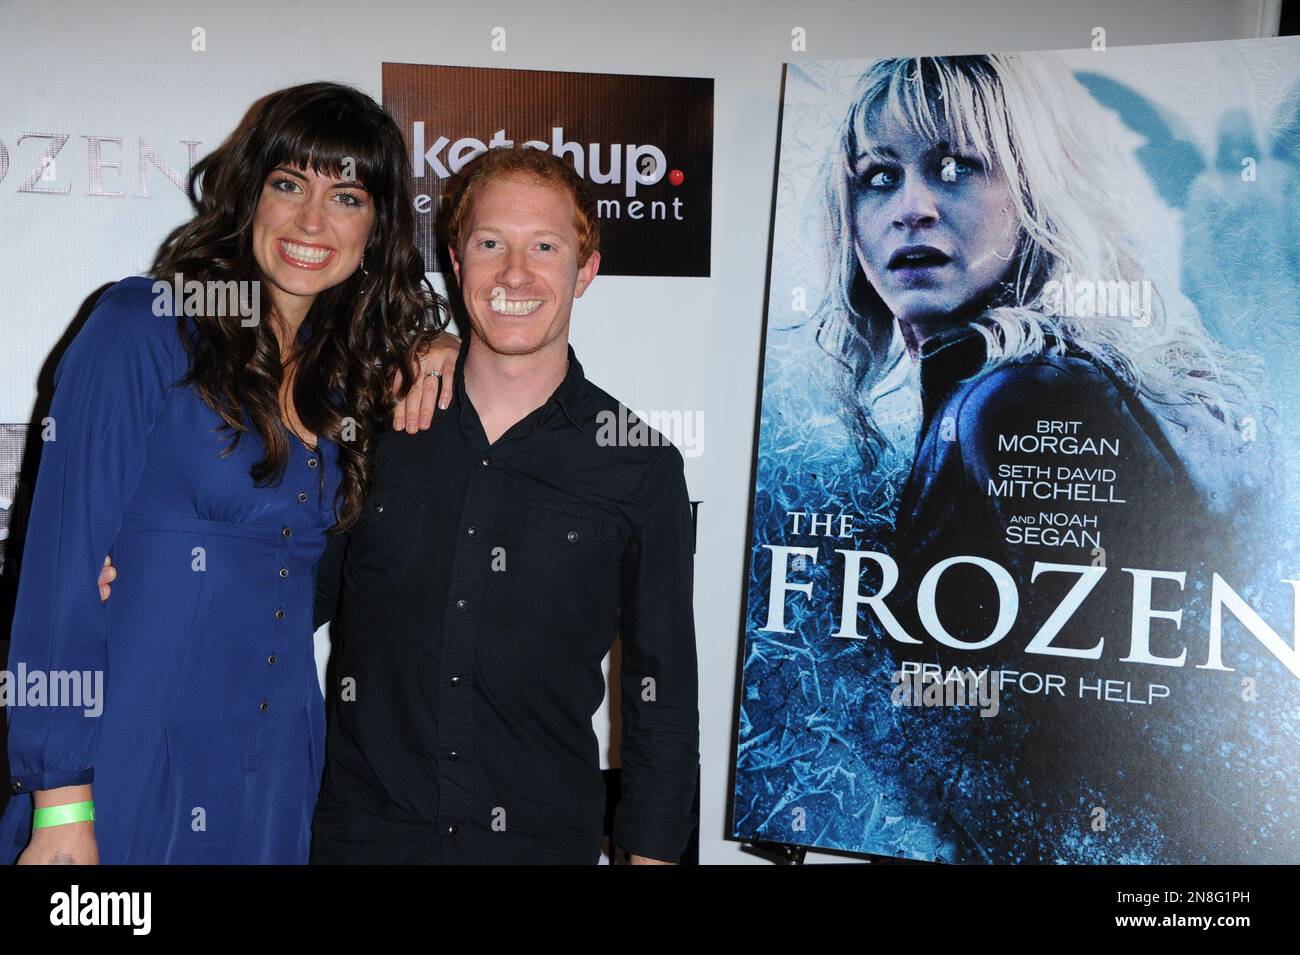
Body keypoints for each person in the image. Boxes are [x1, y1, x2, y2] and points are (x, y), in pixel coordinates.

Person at [811, 54, 1274, 861]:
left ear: (1034, 193)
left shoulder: (1019, 400)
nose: (911, 208)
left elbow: (1110, 731)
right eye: (879, 176)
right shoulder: (1009, 388)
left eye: (956, 168)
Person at [1, 81, 459, 865]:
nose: (312, 221)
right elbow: (58, 573)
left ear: (376, 226)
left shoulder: (345, 380)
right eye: (289, 185)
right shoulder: (142, 327)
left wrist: (445, 344)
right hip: (129, 753)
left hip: (276, 764)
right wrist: (60, 797)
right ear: (249, 192)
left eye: (346, 196)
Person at [309, 146, 700, 865]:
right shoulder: (378, 431)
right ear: (456, 264)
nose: (514, 273)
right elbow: (289, 595)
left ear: (586, 270)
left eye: (544, 246)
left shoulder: (639, 466)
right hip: (361, 844)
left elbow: (662, 703)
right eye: (491, 243)